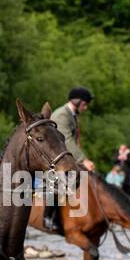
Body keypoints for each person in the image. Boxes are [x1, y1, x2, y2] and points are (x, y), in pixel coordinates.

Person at [45, 86, 95, 231]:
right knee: (60, 181)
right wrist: (83, 159)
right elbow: (66, 140)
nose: (86, 107)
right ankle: (48, 217)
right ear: (77, 101)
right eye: (85, 104)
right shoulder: (62, 115)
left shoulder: (72, 115)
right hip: (53, 156)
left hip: (64, 155)